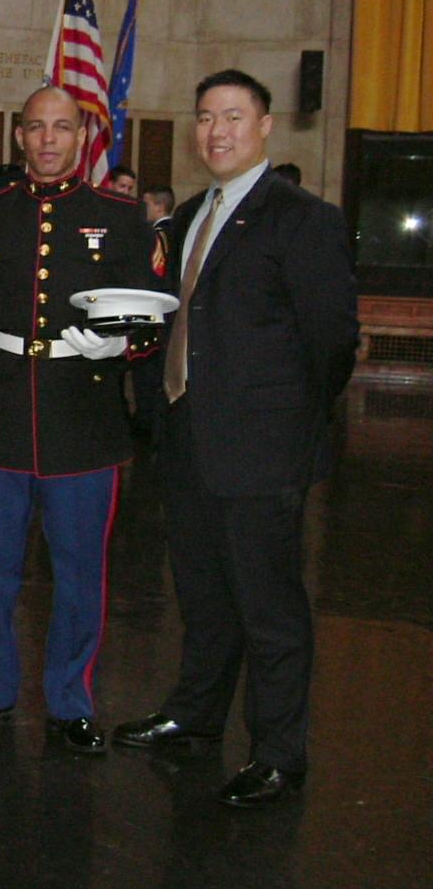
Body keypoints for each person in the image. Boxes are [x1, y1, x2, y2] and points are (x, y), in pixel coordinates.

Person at [113, 70, 357, 808]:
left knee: (269, 607)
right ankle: (195, 714)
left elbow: (331, 342)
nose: (216, 130)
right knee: (203, 594)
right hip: (188, 441)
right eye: (205, 117)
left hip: (261, 451)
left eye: (232, 116)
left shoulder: (301, 218)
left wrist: (288, 427)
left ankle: (280, 753)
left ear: (264, 126)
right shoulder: (190, 215)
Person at [0, 85, 156, 751]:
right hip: (0, 416)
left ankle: (70, 701)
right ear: (19, 137)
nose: (47, 140)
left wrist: (117, 339)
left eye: (61, 128)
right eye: (35, 128)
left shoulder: (120, 219)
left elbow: (152, 310)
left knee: (80, 573)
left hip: (85, 418)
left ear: (81, 135)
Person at [129, 184, 177, 433]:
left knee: (149, 384)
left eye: (145, 202)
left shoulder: (155, 236)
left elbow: (153, 277)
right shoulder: (179, 230)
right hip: (172, 320)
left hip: (153, 320)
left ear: (159, 206)